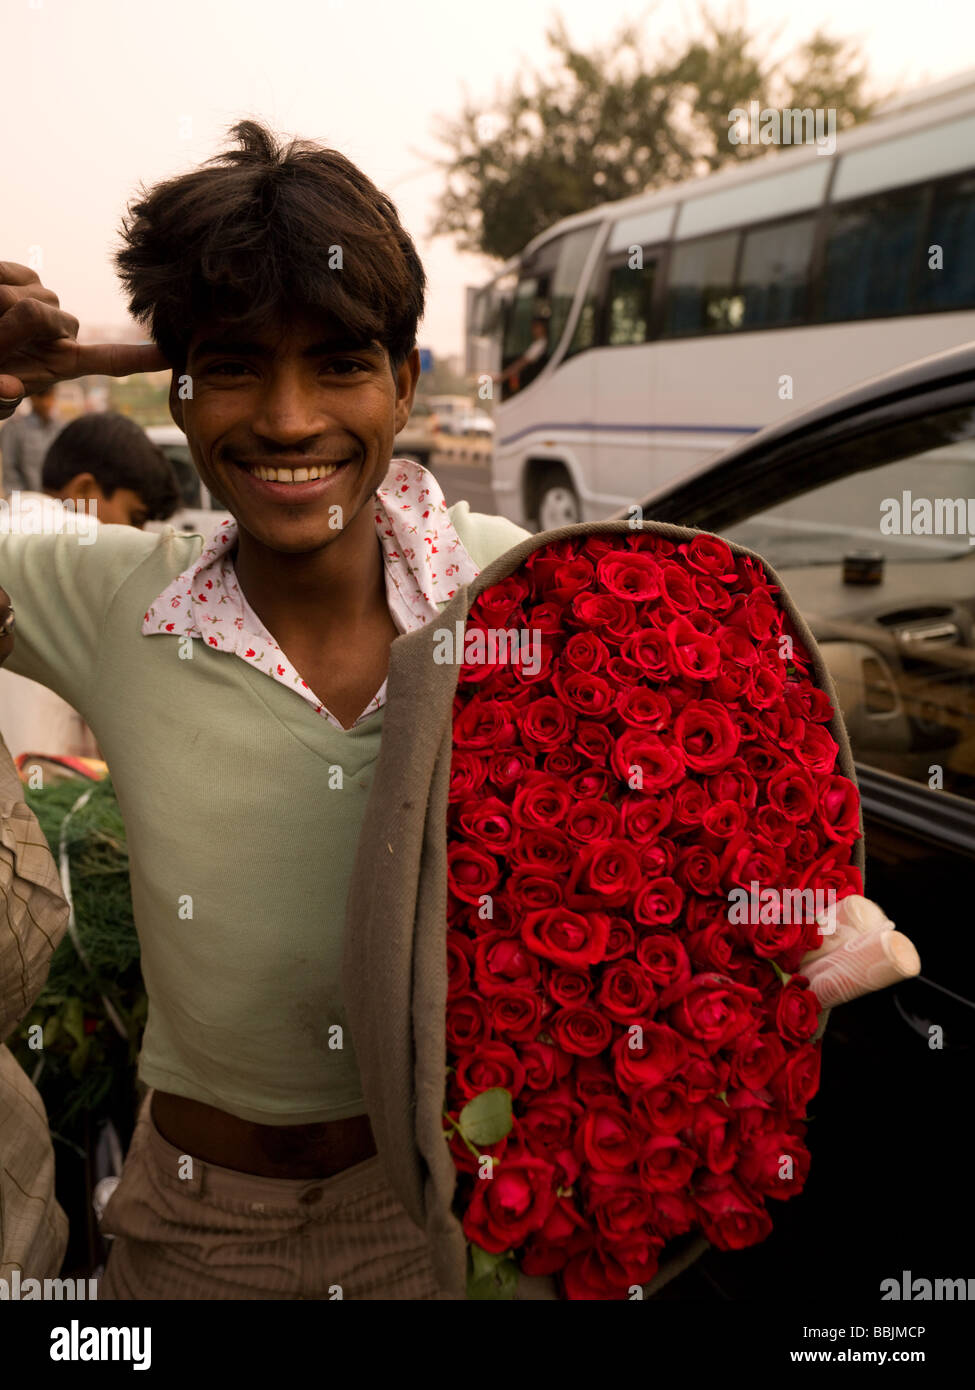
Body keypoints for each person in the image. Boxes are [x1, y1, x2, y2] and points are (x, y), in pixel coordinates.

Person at [0, 120, 532, 1300]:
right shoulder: (113, 589)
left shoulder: (515, 588)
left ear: (404, 383)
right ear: (173, 395)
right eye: (235, 365)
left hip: (442, 1219)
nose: (288, 421)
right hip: (191, 1235)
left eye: (340, 363)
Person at [0, 412, 181, 762]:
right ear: (83, 490)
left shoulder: (9, 522)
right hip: (49, 780)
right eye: (136, 517)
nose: (139, 536)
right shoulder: (92, 545)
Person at [0, 384, 62, 494]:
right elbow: (10, 469)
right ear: (33, 398)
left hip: (54, 501)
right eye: (41, 397)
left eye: (49, 396)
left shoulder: (59, 428)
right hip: (26, 501)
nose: (46, 403)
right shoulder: (15, 428)